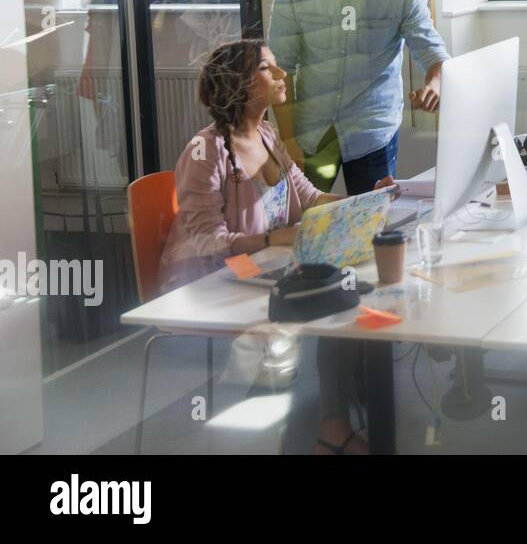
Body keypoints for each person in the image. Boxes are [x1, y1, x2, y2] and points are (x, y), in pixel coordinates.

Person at [159, 39, 394, 455]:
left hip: (263, 268)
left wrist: (370, 200)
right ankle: (273, 431)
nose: (282, 75)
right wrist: (272, 239)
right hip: (213, 279)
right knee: (321, 308)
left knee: (346, 300)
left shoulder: (267, 135)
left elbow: (311, 199)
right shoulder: (205, 151)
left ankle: (331, 429)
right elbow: (205, 241)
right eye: (268, 68)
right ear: (239, 84)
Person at [268, 0, 448, 194]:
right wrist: (287, 140)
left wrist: (435, 85)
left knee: (372, 217)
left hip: (372, 129)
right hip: (312, 130)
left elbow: (434, 53)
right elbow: (281, 67)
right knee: (305, 216)